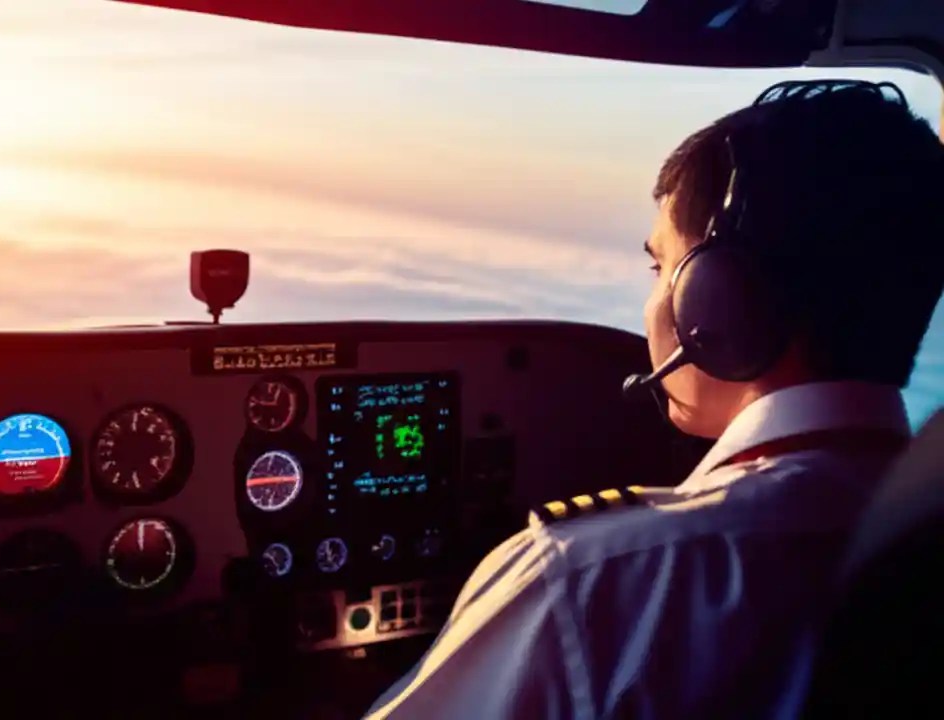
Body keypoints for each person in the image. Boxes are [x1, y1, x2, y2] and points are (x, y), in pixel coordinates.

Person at [365, 80, 944, 719]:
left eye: (659, 267)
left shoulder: (596, 581)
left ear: (716, 303)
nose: (652, 303)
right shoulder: (918, 542)